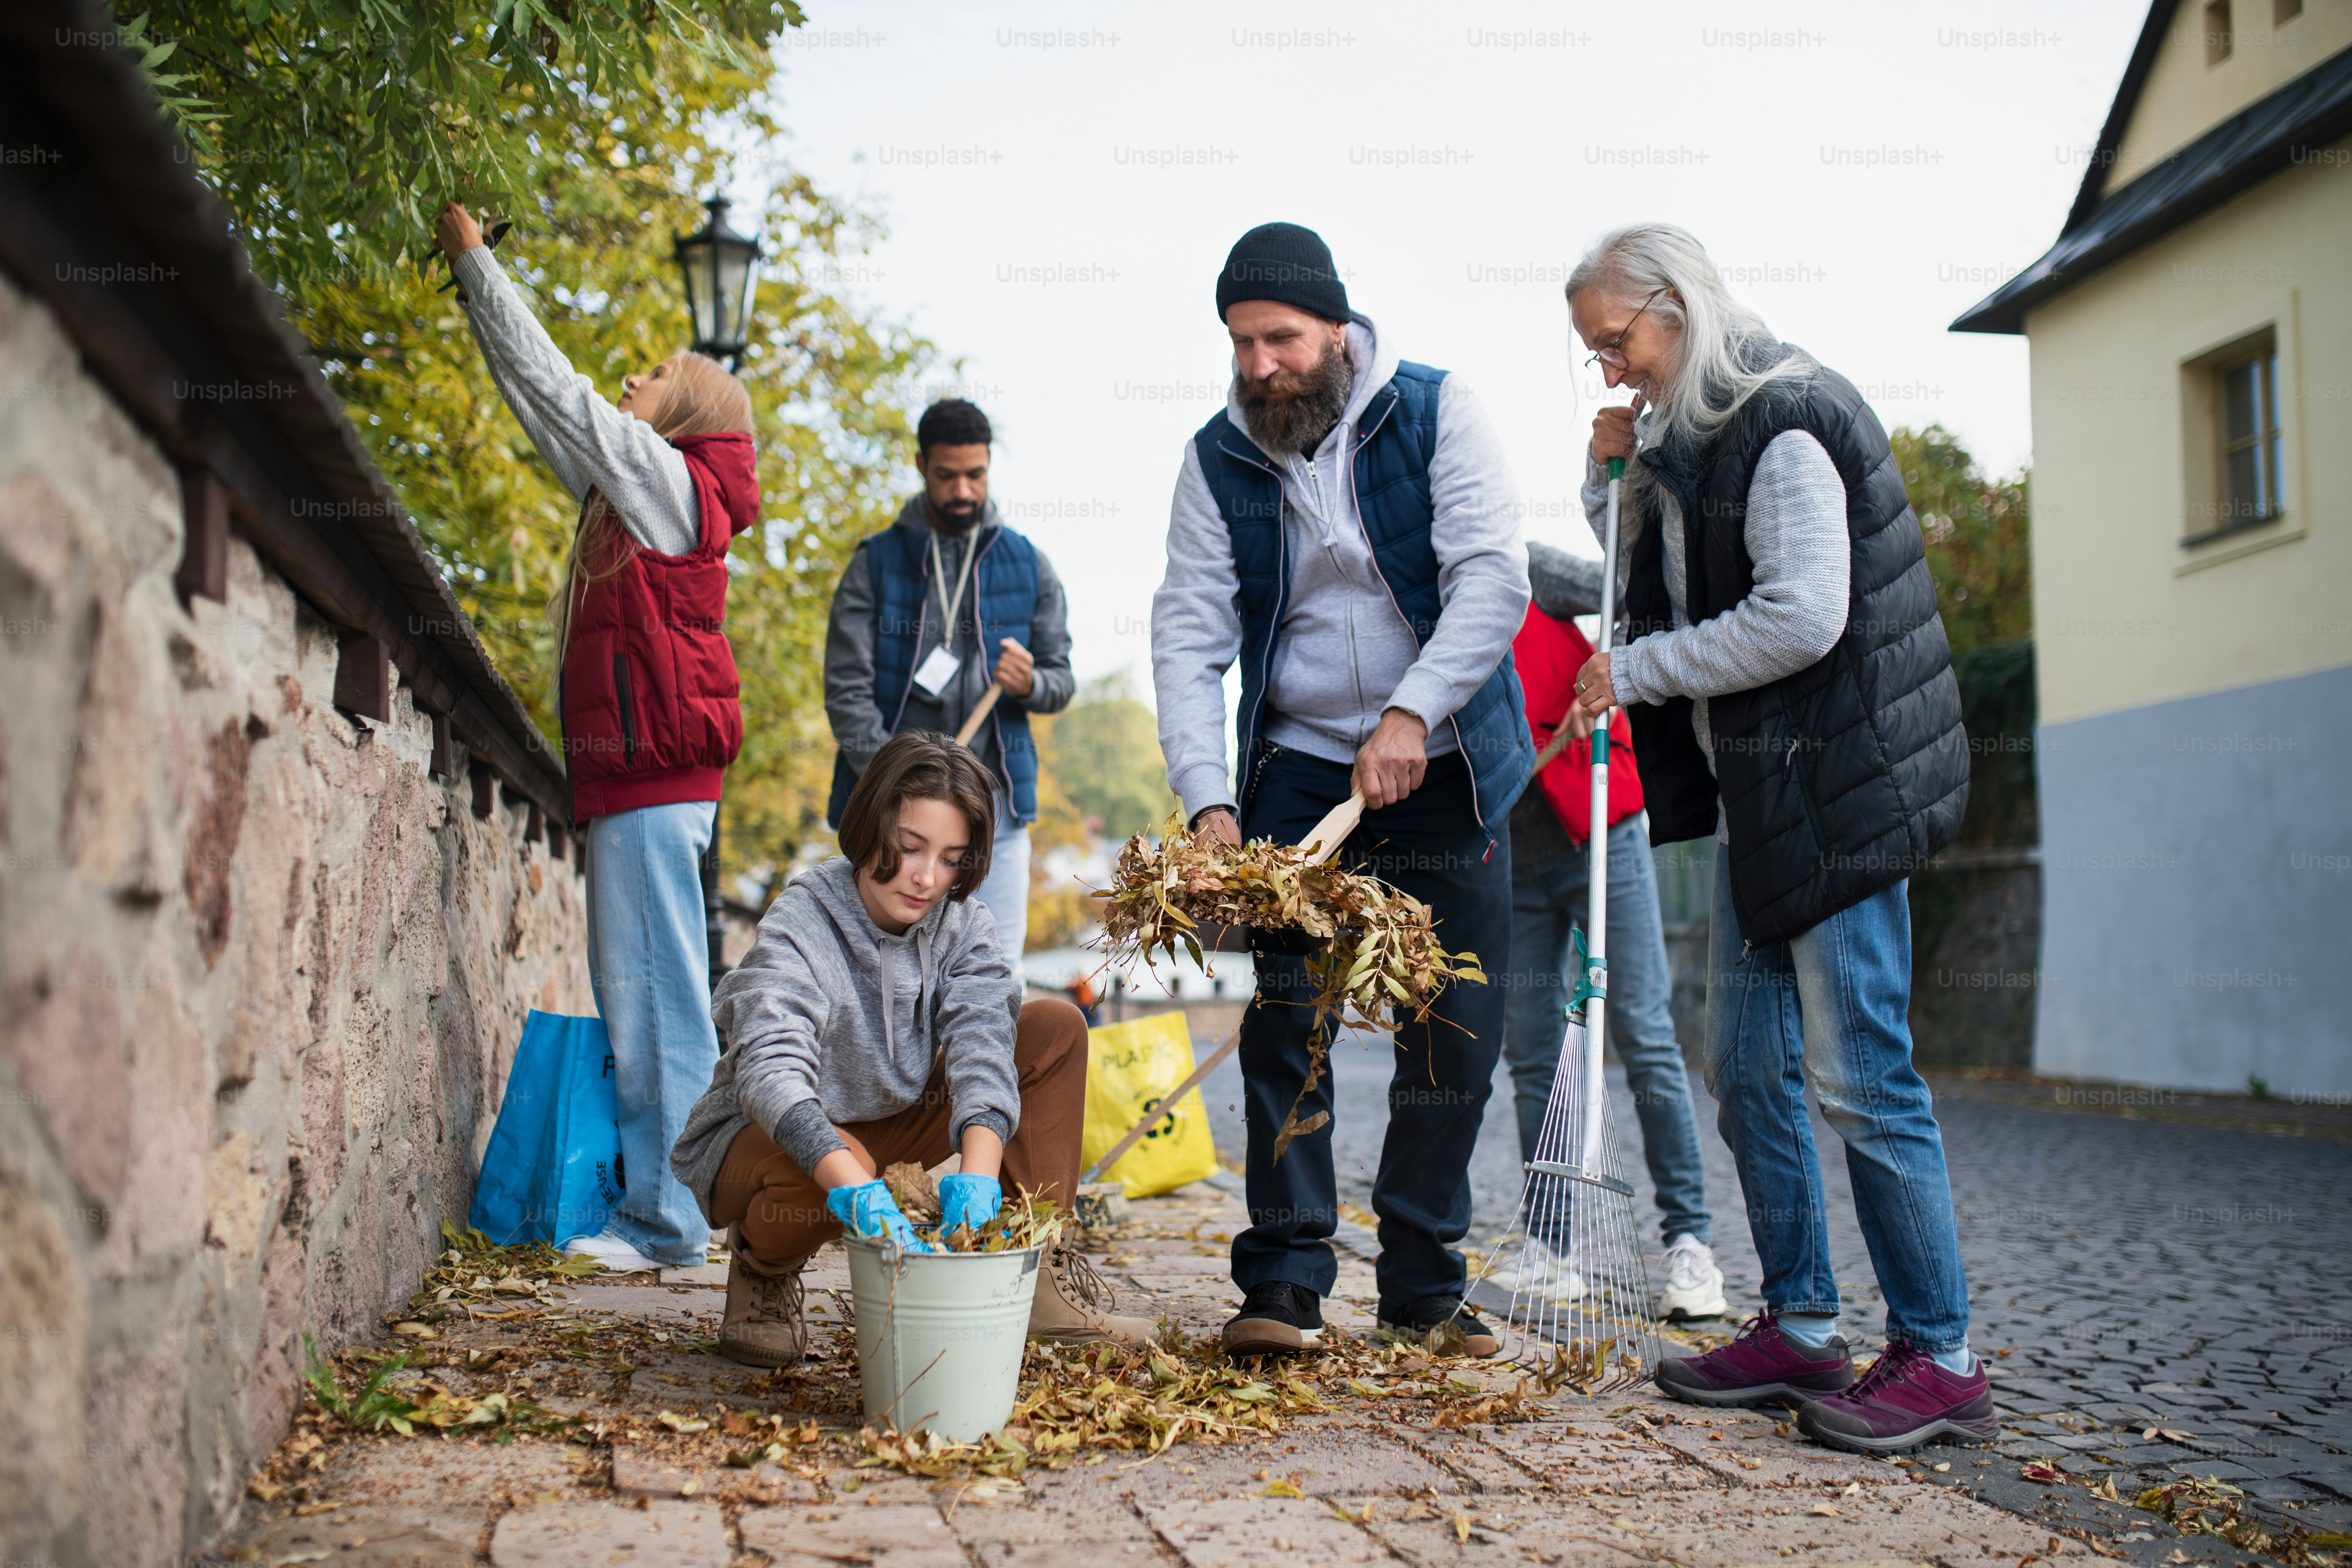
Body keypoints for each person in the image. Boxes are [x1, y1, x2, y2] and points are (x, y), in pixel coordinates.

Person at [1561, 223, 1985, 1453]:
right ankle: (1802, 1324)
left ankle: (1943, 1357)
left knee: (1862, 1077)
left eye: (1616, 342)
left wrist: (1634, 674)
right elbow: (1650, 579)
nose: (1610, 370)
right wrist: (1611, 481)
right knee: (1751, 1072)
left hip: (1841, 797)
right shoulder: (1689, 437)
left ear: (1677, 306)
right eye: (1592, 353)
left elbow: (1801, 615)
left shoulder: (1786, 417)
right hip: (1764, 804)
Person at [1152, 222, 1534, 1358]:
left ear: (1335, 330)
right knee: (1287, 1023)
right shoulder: (1215, 459)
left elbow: (1491, 576)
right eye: (1241, 343)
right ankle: (1283, 1283)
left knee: (1453, 1028)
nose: (1260, 364)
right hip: (1299, 768)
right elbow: (1187, 636)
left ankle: (1422, 1289)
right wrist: (1210, 800)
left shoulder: (1436, 410)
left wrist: (1415, 712)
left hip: (1448, 753)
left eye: (1281, 339)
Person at [439, 199, 755, 1276]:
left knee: (661, 996)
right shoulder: (643, 495)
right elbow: (550, 414)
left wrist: (477, 263)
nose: (632, 382)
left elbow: (556, 393)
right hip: (646, 784)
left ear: (688, 411)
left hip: (657, 782)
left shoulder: (668, 483)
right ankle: (674, 1211)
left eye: (655, 376)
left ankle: (673, 1224)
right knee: (647, 989)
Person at [670, 732, 1152, 1367]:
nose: (928, 878)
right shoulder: (805, 918)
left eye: (951, 858)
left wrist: (978, 1180)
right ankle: (762, 1267)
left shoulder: (962, 925)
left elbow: (984, 1046)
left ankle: (1029, 1272)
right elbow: (772, 1068)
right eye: (910, 847)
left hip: (900, 1115)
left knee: (1054, 1028)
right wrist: (854, 1183)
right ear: (872, 827)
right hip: (771, 1135)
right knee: (839, 1168)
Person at [1483, 542, 1726, 1322]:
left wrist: (1612, 670)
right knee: (1531, 1053)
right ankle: (1551, 1246)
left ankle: (1690, 1244)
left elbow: (1627, 590)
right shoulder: (1417, 594)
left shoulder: (1522, 566)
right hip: (1514, 858)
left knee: (1643, 1031)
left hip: (1601, 829)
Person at [825, 400, 1074, 988]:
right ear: (920, 466)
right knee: (877, 974)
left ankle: (974, 1085)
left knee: (990, 975)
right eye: (946, 475)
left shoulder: (1031, 564)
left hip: (999, 814)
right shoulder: (875, 564)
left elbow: (1061, 680)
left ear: (990, 466)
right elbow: (846, 691)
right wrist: (893, 792)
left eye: (976, 474)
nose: (963, 490)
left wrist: (1031, 684)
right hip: (892, 814)